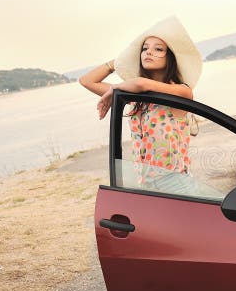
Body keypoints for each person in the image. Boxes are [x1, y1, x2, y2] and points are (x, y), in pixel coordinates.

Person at [80, 15, 218, 197]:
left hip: (176, 184)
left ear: (170, 58)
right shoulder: (137, 98)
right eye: (144, 49)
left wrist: (115, 88)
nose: (148, 52)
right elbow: (86, 80)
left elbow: (141, 84)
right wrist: (117, 62)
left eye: (158, 49)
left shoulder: (183, 91)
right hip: (146, 187)